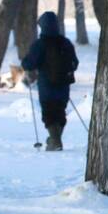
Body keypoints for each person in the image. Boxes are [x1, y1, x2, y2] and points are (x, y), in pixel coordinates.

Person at [20, 12, 79, 152]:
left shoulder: (40, 44)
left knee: (49, 114)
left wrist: (26, 63)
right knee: (60, 113)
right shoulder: (66, 43)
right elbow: (75, 63)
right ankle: (54, 139)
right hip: (63, 86)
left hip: (47, 86)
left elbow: (29, 64)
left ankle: (55, 141)